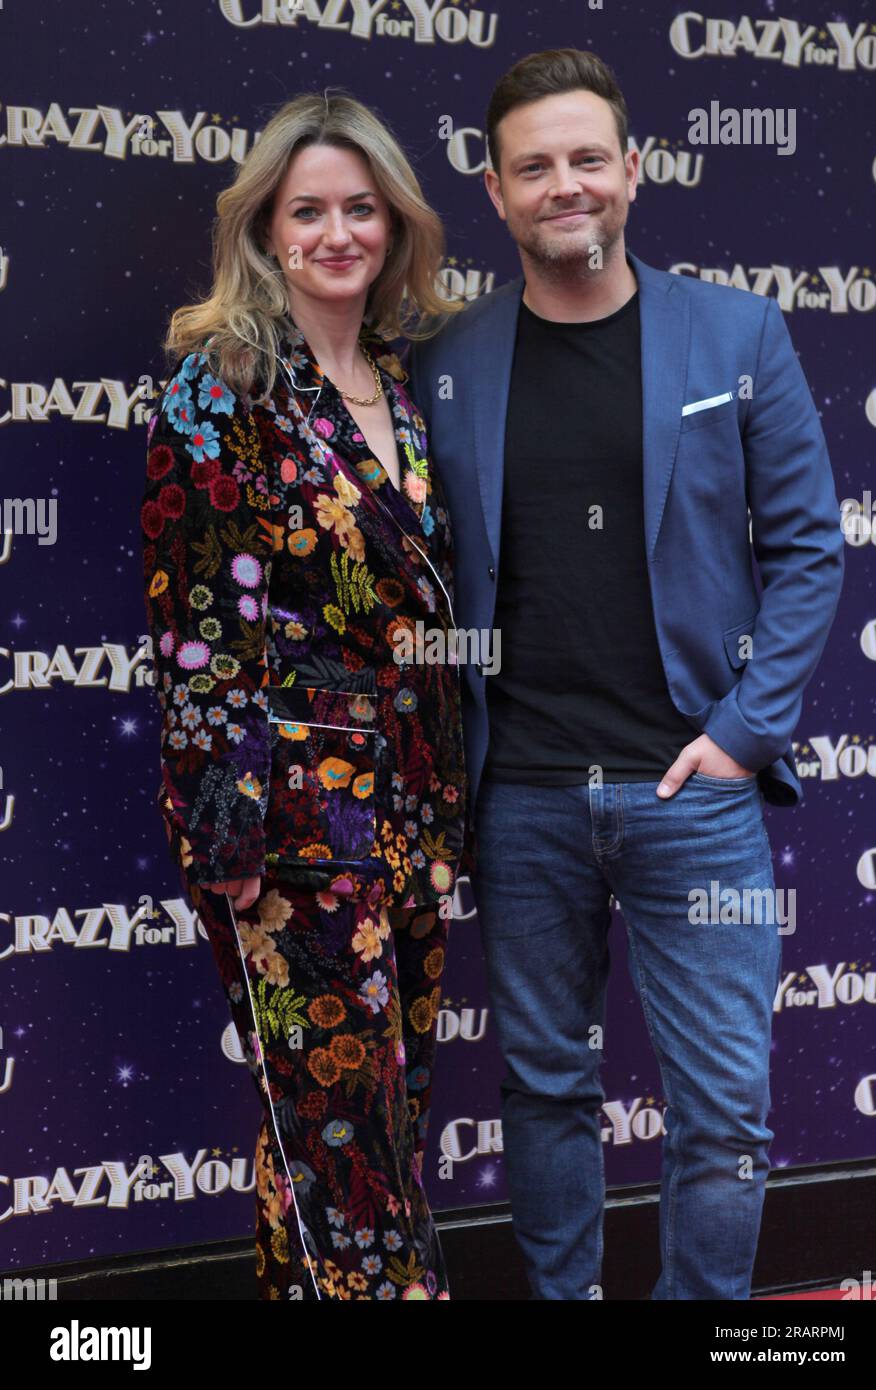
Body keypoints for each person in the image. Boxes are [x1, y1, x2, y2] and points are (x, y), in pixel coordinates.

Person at [407, 48, 845, 1299]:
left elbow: (809, 550)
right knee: (545, 1096)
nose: (565, 185)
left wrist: (744, 735)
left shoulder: (736, 329)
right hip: (524, 798)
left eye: (586, 158)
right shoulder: (446, 360)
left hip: (692, 793)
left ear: (633, 173)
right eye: (533, 166)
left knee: (722, 1114)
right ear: (494, 192)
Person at [140, 90, 467, 1301]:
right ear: (265, 228)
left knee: (365, 1116)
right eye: (308, 210)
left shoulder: (400, 378)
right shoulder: (221, 386)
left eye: (361, 208)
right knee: (339, 1127)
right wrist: (224, 829)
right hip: (284, 818)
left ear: (395, 224)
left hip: (412, 805)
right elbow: (196, 631)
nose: (337, 232)